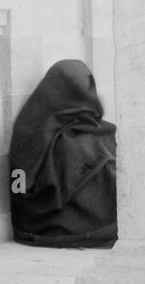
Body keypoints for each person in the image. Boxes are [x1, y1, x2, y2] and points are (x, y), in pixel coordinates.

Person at [8, 59, 117, 248]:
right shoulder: (31, 128)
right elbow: (20, 185)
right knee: (88, 147)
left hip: (56, 214)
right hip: (46, 220)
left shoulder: (81, 123)